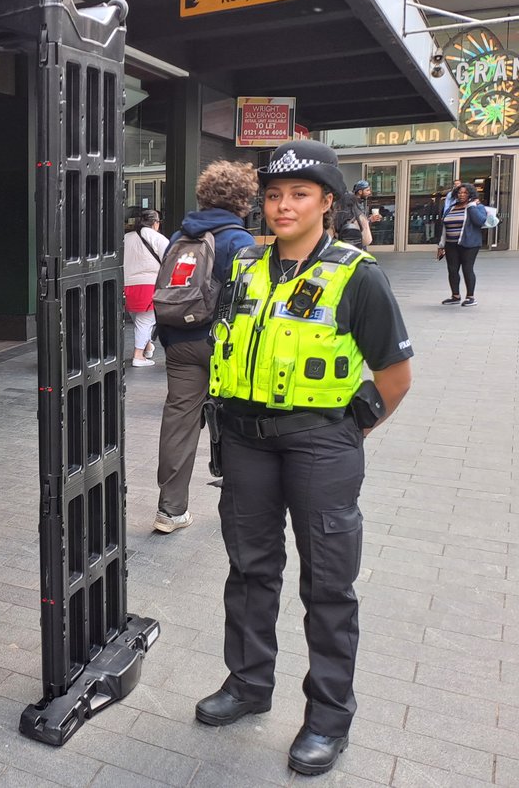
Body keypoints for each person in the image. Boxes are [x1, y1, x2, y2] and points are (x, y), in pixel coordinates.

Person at [199, 139, 413, 776]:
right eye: (273, 194)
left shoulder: (357, 274)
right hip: (244, 439)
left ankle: (327, 718)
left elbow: (395, 376)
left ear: (327, 201)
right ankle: (247, 684)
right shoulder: (246, 269)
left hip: (320, 444)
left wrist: (347, 435)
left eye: (298, 193)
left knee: (327, 584)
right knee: (250, 569)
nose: (283, 205)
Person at [153, 161, 256, 533]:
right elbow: (249, 303)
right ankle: (240, 502)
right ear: (243, 200)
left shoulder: (179, 237)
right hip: (222, 347)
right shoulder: (238, 240)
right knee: (238, 419)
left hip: (179, 342)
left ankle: (170, 509)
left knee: (179, 422)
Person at [123, 209, 168, 368]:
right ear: (155, 223)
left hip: (127, 284)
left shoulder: (126, 238)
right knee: (146, 321)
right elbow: (168, 261)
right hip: (150, 284)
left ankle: (147, 347)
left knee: (138, 319)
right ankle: (138, 355)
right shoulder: (158, 238)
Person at [437, 182, 487, 307]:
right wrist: (441, 245)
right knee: (452, 270)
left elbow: (480, 221)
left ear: (470, 194)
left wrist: (471, 207)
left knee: (467, 269)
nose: (462, 195)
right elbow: (444, 227)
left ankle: (470, 297)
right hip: (451, 244)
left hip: (469, 244)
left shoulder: (476, 206)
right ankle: (455, 296)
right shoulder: (451, 208)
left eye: (465, 192)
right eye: (459, 192)